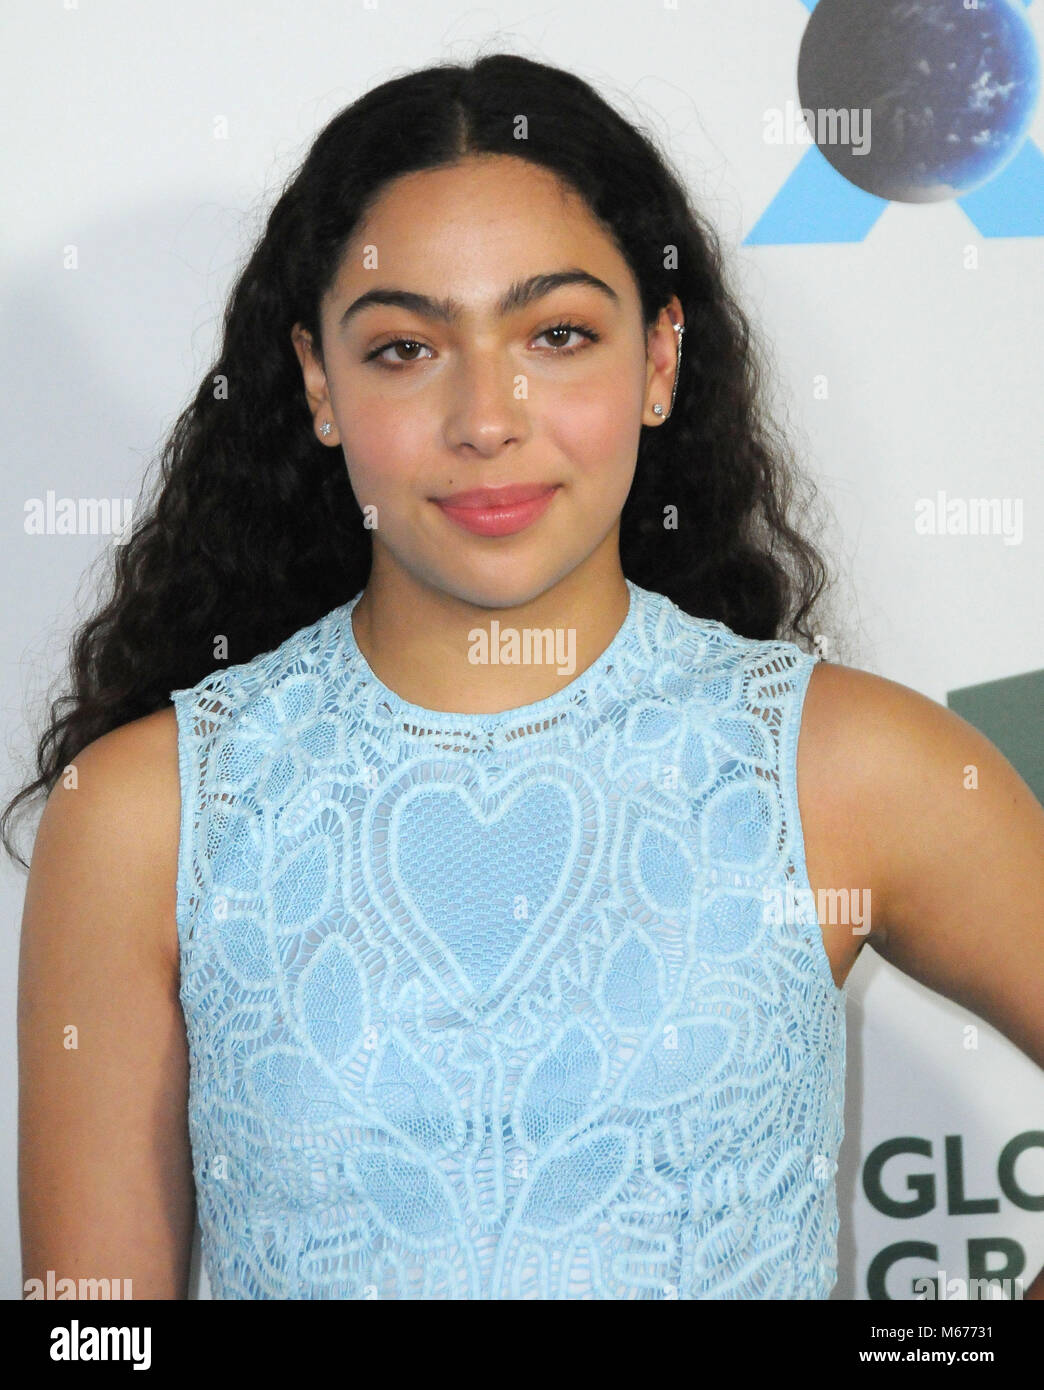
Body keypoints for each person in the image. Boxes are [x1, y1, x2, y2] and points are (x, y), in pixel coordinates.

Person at [12, 53, 1043, 1301]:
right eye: (404, 348)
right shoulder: (143, 812)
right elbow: (90, 1332)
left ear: (660, 359)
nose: (486, 417)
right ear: (317, 384)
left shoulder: (850, 767)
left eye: (556, 334)